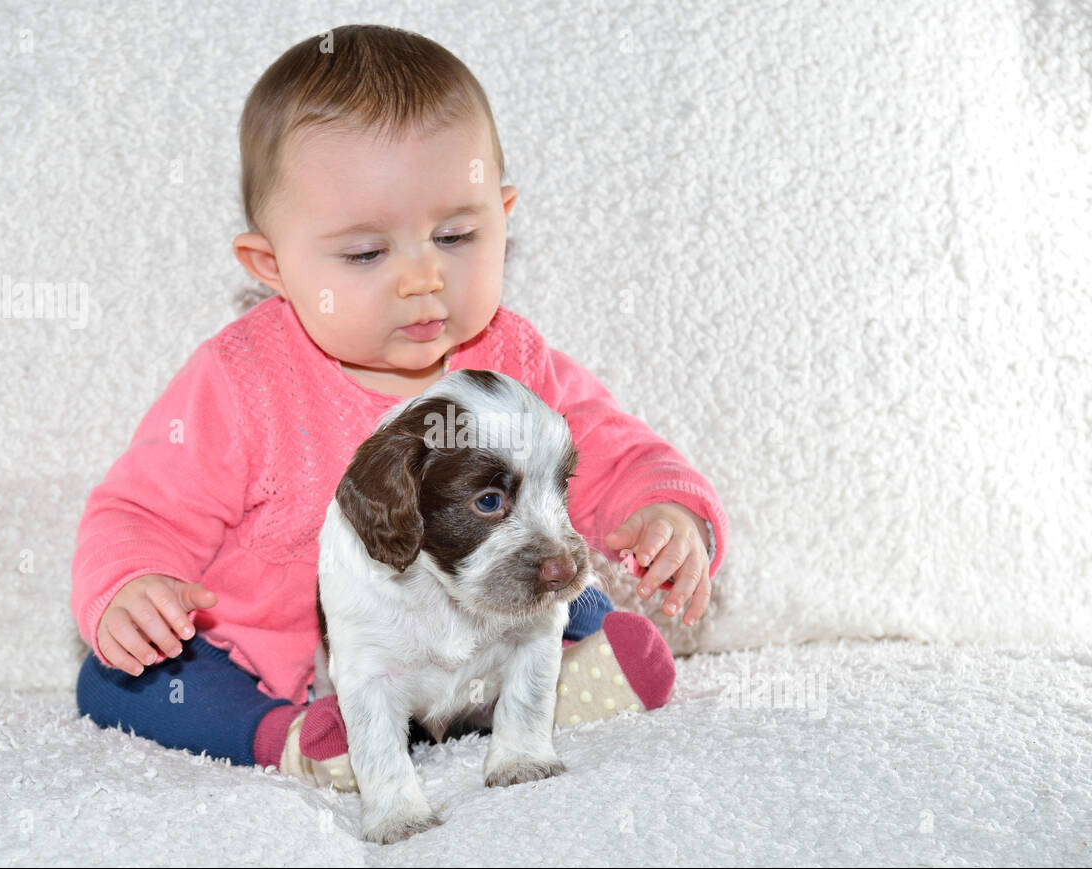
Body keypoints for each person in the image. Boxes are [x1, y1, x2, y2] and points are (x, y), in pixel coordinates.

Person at [72, 24, 728, 789]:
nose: (422, 277)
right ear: (270, 266)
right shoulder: (241, 379)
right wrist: (133, 585)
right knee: (123, 680)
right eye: (365, 254)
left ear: (504, 219)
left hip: (482, 628)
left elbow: (607, 448)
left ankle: (574, 674)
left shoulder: (510, 360)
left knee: (554, 571)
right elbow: (143, 507)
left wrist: (665, 511)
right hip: (281, 662)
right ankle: (291, 736)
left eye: (455, 235)